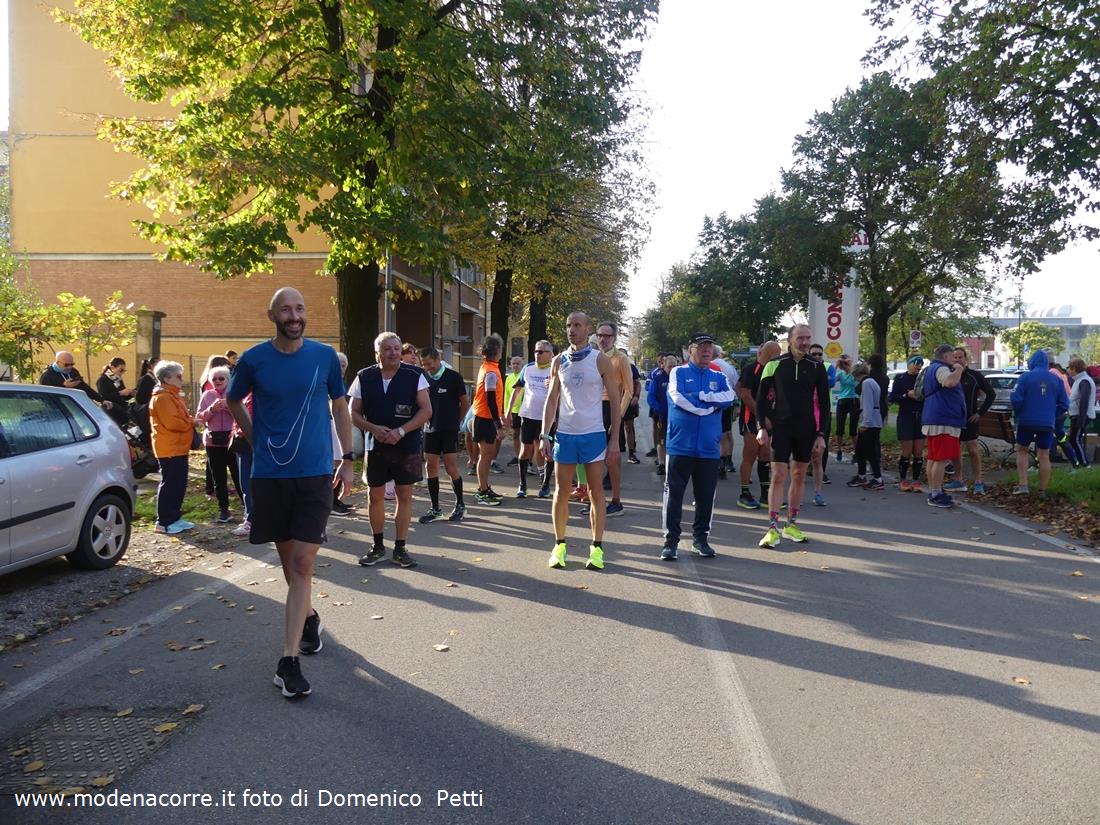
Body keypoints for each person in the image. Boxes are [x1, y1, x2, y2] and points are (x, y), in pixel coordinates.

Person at [226, 287, 355, 700]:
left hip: (315, 473)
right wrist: (254, 434)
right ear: (272, 315)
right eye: (286, 309)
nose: (294, 315)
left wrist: (348, 458)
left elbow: (339, 407)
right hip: (270, 475)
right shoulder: (254, 359)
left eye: (300, 308)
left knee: (302, 562)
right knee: (290, 564)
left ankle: (287, 662)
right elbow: (232, 398)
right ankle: (310, 618)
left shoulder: (322, 358)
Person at [540, 311, 622, 571]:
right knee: (561, 492)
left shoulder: (600, 360)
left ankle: (596, 548)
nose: (571, 329)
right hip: (565, 435)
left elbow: (616, 402)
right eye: (568, 325)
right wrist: (545, 434)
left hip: (593, 435)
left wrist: (614, 440)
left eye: (577, 325)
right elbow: (552, 400)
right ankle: (559, 545)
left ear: (588, 329)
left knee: (595, 491)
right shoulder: (558, 361)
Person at [351, 332, 433, 567]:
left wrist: (401, 431)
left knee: (404, 495)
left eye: (397, 348)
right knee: (374, 495)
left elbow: (426, 410)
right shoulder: (364, 377)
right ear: (377, 353)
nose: (394, 353)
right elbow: (352, 412)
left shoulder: (415, 375)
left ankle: (400, 548)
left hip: (406, 445)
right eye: (387, 349)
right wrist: (373, 428)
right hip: (375, 445)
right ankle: (377, 547)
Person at [659, 333, 735, 560]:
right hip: (680, 446)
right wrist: (708, 406)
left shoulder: (718, 375)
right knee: (674, 496)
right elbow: (678, 397)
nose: (706, 350)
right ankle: (670, 542)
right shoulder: (678, 372)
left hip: (709, 449)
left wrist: (701, 395)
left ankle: (700, 540)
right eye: (701, 346)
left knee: (705, 497)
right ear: (690, 350)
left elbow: (729, 396)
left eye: (709, 346)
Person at [755, 325, 830, 548]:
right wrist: (762, 426)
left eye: (808, 338)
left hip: (806, 429)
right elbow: (761, 400)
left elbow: (825, 404)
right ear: (790, 340)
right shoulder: (775, 364)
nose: (805, 342)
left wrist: (821, 434)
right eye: (801, 338)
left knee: (799, 474)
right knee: (778, 475)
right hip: (782, 427)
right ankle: (772, 528)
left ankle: (792, 524)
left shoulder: (817, 367)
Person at [418, 346, 470, 522]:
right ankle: (435, 508)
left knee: (450, 466)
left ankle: (460, 505)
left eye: (429, 363)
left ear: (437, 359)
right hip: (429, 428)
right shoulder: (423, 378)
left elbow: (464, 402)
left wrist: (457, 422)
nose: (427, 367)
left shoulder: (453, 377)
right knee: (430, 465)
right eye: (423, 364)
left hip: (448, 429)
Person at [1010, 349, 1070, 497]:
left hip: (1026, 421)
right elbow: (1064, 403)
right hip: (1047, 423)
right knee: (1044, 454)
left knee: (1022, 450)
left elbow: (1016, 399)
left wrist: (1019, 413)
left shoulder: (1025, 377)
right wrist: (1052, 415)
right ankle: (1042, 490)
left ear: (1032, 362)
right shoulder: (1056, 379)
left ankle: (1023, 485)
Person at [149, 361, 199, 535]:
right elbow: (172, 423)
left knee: (178, 484)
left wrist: (189, 420)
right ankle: (164, 521)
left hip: (177, 447)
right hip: (169, 448)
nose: (181, 379)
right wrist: (192, 422)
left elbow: (178, 418)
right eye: (178, 376)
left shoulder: (172, 395)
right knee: (171, 484)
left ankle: (174, 517)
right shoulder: (163, 397)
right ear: (167, 378)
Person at [920, 344, 967, 508]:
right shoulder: (941, 369)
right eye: (953, 357)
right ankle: (936, 493)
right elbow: (949, 382)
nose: (955, 360)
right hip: (944, 419)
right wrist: (959, 369)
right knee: (941, 459)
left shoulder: (931, 368)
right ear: (946, 356)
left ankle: (934, 491)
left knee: (933, 458)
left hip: (934, 417)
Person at [735, 340, 781, 510]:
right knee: (750, 455)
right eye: (776, 354)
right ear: (767, 353)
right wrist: (761, 417)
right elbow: (745, 395)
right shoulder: (752, 369)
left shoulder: (774, 369)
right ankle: (744, 493)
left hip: (770, 419)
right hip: (751, 419)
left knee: (765, 455)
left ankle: (765, 493)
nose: (778, 357)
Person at [505, 340, 554, 498]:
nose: (537, 354)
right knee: (526, 450)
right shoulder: (528, 368)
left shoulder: (555, 369)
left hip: (547, 417)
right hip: (528, 415)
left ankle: (545, 484)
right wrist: (507, 412)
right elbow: (517, 390)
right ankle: (522, 484)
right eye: (536, 351)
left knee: (545, 450)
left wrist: (553, 384)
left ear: (550, 354)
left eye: (541, 352)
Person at [595, 322, 633, 517]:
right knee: (594, 458)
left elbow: (629, 389)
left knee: (612, 458)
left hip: (612, 407)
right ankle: (596, 501)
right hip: (594, 409)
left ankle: (616, 501)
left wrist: (618, 415)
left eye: (608, 336)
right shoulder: (593, 357)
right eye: (600, 335)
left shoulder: (621, 359)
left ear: (614, 338)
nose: (603, 339)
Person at [945, 347, 995, 494]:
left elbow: (991, 394)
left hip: (970, 419)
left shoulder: (974, 376)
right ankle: (958, 479)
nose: (957, 360)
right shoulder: (948, 375)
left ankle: (978, 481)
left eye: (960, 357)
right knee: (954, 451)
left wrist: (980, 413)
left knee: (973, 450)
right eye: (954, 357)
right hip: (953, 419)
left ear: (966, 360)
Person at [197, 365, 243, 523]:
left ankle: (248, 510)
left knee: (239, 476)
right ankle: (224, 510)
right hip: (213, 442)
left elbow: (244, 416)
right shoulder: (207, 395)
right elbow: (199, 418)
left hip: (232, 442)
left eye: (221, 378)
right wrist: (212, 409)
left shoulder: (234, 395)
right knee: (218, 478)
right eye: (214, 378)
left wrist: (229, 408)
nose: (217, 381)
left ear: (228, 380)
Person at [471, 334, 507, 505]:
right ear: (497, 350)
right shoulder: (491, 371)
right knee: (486, 455)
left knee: (487, 454)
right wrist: (498, 424)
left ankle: (484, 487)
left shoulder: (489, 366)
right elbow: (491, 399)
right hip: (484, 418)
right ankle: (482, 491)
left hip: (484, 417)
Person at [889, 356, 926, 492]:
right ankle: (903, 479)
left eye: (921, 364)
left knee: (918, 451)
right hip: (906, 416)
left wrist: (920, 396)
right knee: (907, 450)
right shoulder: (900, 378)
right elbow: (893, 397)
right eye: (916, 363)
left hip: (920, 416)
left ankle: (916, 480)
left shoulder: (922, 379)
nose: (918, 366)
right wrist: (906, 395)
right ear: (909, 364)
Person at [845, 364, 885, 490]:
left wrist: (865, 423)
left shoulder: (866, 384)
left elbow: (868, 404)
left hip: (870, 422)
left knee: (869, 451)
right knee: (861, 450)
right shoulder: (872, 381)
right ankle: (861, 475)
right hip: (874, 420)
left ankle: (878, 478)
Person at [39, 351, 112, 410]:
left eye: (72, 364)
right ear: (58, 362)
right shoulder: (47, 375)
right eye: (66, 365)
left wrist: (101, 400)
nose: (70, 367)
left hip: (74, 405)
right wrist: (64, 387)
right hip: (57, 408)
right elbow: (46, 396)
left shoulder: (73, 371)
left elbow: (85, 387)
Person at [806, 343, 831, 504]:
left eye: (819, 354)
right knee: (800, 461)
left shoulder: (825, 370)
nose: (817, 357)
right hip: (801, 421)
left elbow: (825, 402)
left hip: (819, 420)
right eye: (814, 354)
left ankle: (817, 493)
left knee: (817, 458)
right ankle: (797, 493)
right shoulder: (803, 371)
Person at [710, 345, 740, 478]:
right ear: (720, 354)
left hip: (710, 404)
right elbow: (736, 385)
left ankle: (714, 462)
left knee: (711, 432)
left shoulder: (707, 365)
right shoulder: (729, 367)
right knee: (726, 433)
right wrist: (737, 404)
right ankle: (726, 461)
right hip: (727, 403)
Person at [646, 354, 676, 476]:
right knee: (662, 441)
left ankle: (674, 464)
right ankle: (661, 463)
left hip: (677, 417)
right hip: (662, 415)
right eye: (670, 366)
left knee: (675, 441)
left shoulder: (680, 378)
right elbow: (651, 396)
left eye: (674, 366)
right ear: (664, 366)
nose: (672, 368)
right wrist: (658, 409)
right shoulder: (658, 379)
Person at [1066, 358, 1096, 468]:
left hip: (1081, 415)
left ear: (1074, 369)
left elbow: (1084, 401)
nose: (1068, 370)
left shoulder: (1084, 381)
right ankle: (1081, 464)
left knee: (1075, 439)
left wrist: (1081, 419)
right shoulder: (1079, 380)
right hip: (1078, 415)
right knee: (1074, 439)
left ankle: (1085, 465)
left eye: (1069, 367)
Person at [832, 354, 858, 462]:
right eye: (844, 362)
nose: (845, 364)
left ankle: (857, 452)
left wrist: (849, 366)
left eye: (847, 362)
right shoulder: (840, 374)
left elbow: (858, 379)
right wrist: (836, 366)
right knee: (839, 428)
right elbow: (831, 381)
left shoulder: (855, 373)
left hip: (853, 400)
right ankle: (839, 450)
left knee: (853, 429)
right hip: (842, 400)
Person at [96, 357, 135, 428]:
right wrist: (120, 393)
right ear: (112, 367)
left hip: (122, 407)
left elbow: (123, 396)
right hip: (112, 410)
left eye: (124, 370)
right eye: (121, 370)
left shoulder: (118, 379)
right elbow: (104, 397)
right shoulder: (102, 380)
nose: (122, 373)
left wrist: (130, 394)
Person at [503, 355, 525, 465]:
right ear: (510, 365)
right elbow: (507, 396)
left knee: (526, 436)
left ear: (522, 364)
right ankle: (518, 457)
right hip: (514, 411)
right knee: (516, 435)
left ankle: (527, 460)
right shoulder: (509, 378)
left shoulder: (525, 376)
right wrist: (507, 412)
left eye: (518, 363)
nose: (515, 365)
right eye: (514, 363)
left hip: (525, 411)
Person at [132, 357, 159, 439]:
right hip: (147, 411)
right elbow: (140, 398)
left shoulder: (154, 378)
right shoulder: (147, 378)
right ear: (151, 366)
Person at [623, 359, 643, 464]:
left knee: (628, 427)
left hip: (628, 400)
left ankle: (631, 453)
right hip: (611, 401)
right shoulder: (608, 364)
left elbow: (637, 383)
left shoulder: (631, 367)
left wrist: (636, 396)